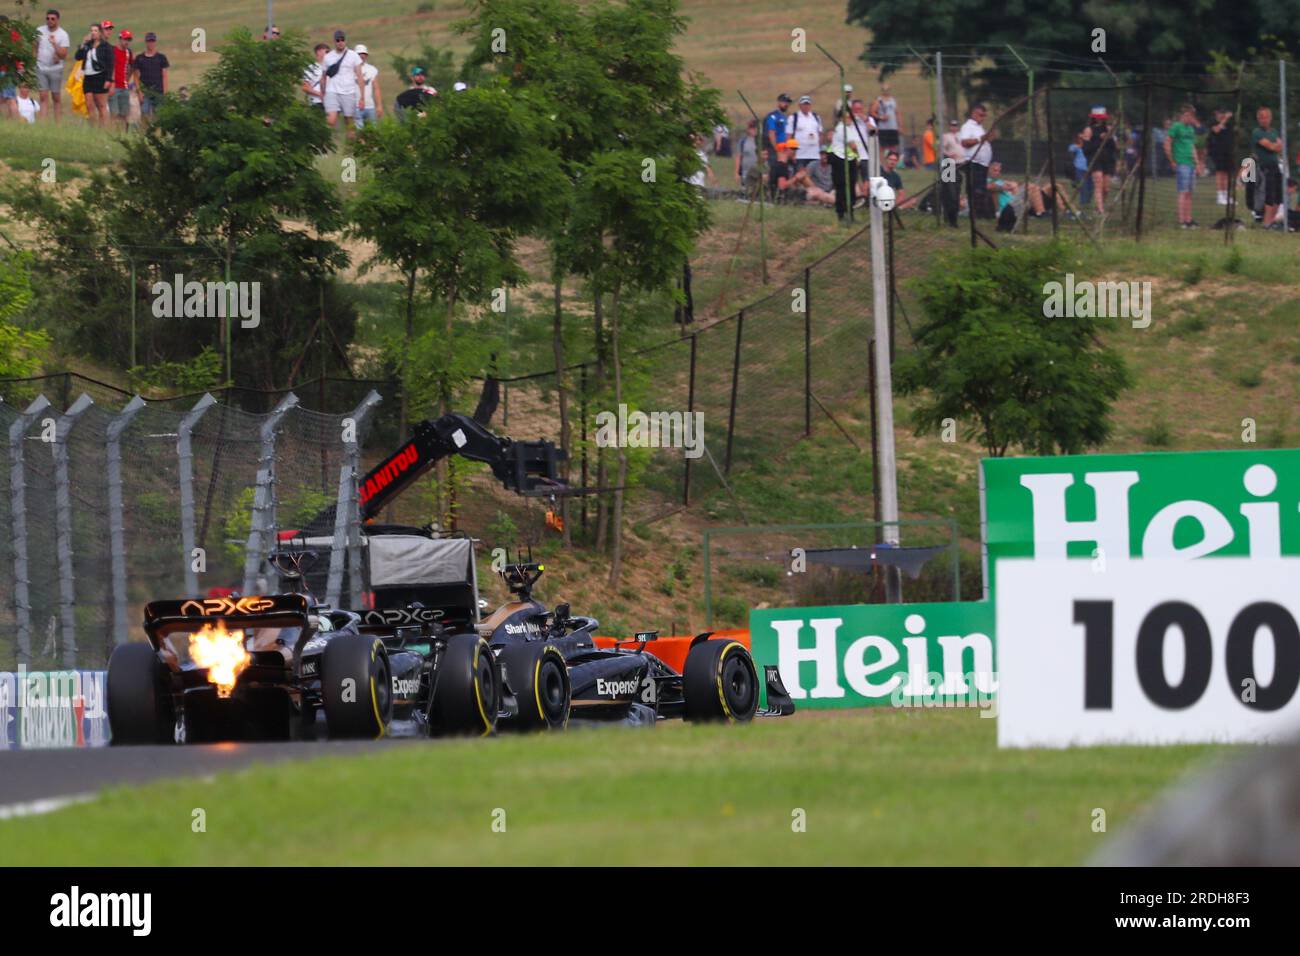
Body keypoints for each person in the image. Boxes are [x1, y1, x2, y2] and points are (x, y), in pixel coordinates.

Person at [1164, 104, 1204, 228]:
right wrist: (1172, 160)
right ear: (1184, 115)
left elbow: (1192, 147)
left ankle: (1188, 219)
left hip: (1191, 163)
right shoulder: (1176, 127)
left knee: (1190, 193)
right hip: (1182, 163)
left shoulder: (1190, 129)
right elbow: (1167, 143)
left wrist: (1197, 163)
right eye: (1190, 116)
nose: (1191, 119)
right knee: (1183, 192)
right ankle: (1182, 221)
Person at [828, 104, 869, 221]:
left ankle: (848, 213)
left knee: (850, 187)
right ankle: (843, 214)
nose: (849, 119)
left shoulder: (847, 128)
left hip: (847, 159)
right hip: (841, 160)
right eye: (846, 117)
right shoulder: (843, 128)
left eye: (850, 117)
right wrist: (858, 157)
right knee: (843, 188)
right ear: (841, 118)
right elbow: (853, 146)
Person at [322, 30, 364, 139]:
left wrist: (362, 98)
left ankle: (351, 147)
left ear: (345, 41)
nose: (340, 42)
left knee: (349, 122)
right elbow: (323, 77)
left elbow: (360, 76)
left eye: (342, 40)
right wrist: (323, 93)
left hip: (348, 92)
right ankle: (323, 142)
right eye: (338, 40)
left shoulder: (353, 56)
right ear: (334, 42)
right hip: (332, 91)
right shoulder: (328, 57)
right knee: (330, 120)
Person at [74, 22, 114, 127]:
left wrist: (108, 79)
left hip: (100, 76)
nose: (93, 33)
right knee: (89, 104)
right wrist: (83, 44)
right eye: (91, 31)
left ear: (100, 32)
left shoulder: (106, 47)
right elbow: (78, 57)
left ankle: (103, 128)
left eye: (95, 31)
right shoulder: (88, 45)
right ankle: (93, 127)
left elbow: (110, 64)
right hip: (88, 76)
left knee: (101, 105)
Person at [958, 103, 995, 219]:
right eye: (980, 115)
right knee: (975, 188)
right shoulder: (968, 126)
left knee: (981, 188)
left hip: (983, 164)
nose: (982, 118)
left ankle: (981, 212)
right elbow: (965, 142)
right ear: (973, 113)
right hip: (974, 162)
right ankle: (975, 213)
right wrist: (981, 139)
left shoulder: (979, 127)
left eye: (984, 116)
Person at [1251, 106, 1284, 229]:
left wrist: (1276, 146)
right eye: (1261, 117)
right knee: (1269, 196)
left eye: (1266, 117)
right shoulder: (1257, 132)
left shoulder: (1274, 131)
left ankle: (1272, 222)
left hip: (1275, 166)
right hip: (1265, 168)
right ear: (1258, 119)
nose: (1263, 120)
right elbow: (1271, 147)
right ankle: (1266, 223)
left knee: (1278, 196)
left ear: (1270, 118)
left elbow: (1281, 146)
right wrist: (1275, 145)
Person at [35, 9, 70, 122]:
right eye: (48, 18)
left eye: (52, 19)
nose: (50, 21)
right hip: (41, 66)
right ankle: (42, 123)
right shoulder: (39, 30)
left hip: (55, 69)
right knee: (43, 96)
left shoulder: (63, 34)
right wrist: (34, 59)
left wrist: (55, 45)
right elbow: (34, 47)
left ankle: (58, 123)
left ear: (57, 20)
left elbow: (63, 55)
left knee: (56, 97)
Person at [1082, 106, 1117, 215]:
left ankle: (1098, 207)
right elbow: (1086, 149)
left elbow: (1113, 147)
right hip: (1095, 159)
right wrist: (1099, 140)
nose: (1099, 120)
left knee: (1106, 188)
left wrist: (1108, 138)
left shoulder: (1108, 129)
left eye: (1101, 117)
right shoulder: (1088, 130)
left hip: (1107, 160)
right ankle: (1101, 210)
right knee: (1098, 183)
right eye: (1097, 117)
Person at [132, 32, 168, 122]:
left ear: (155, 42)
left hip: (158, 91)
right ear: (146, 42)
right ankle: (144, 133)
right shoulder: (140, 58)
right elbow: (135, 76)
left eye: (152, 41)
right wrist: (139, 91)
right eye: (149, 41)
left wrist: (165, 93)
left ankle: (157, 133)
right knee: (144, 113)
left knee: (159, 115)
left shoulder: (161, 58)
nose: (151, 43)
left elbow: (165, 76)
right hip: (145, 92)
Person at [763, 93, 792, 198]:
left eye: (788, 103)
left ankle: (783, 193)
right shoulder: (773, 116)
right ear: (779, 102)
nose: (786, 104)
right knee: (774, 170)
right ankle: (772, 193)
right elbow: (771, 133)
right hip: (775, 148)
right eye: (784, 102)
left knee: (784, 171)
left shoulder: (787, 117)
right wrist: (776, 148)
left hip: (785, 149)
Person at [1206, 107, 1234, 206]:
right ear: (1216, 113)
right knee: (1220, 173)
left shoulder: (1228, 124)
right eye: (1220, 113)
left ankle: (1226, 195)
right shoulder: (1212, 122)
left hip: (1227, 151)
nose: (1222, 115)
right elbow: (1216, 130)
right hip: (1217, 151)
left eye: (1223, 113)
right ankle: (1220, 195)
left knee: (1226, 174)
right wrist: (1225, 119)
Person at [786, 95, 823, 169]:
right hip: (800, 155)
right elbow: (789, 136)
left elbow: (820, 134)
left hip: (814, 154)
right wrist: (791, 152)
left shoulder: (816, 117)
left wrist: (819, 149)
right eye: (804, 104)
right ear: (799, 105)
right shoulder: (793, 118)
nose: (806, 106)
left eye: (808, 104)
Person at [109, 28, 135, 131]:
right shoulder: (113, 50)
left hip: (124, 86)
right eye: (125, 39)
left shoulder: (129, 53)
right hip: (114, 86)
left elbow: (132, 66)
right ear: (120, 39)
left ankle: (124, 134)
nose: (127, 42)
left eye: (128, 40)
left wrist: (127, 78)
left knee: (124, 114)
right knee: (114, 113)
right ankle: (115, 133)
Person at [939, 118, 963, 226]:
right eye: (952, 125)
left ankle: (954, 219)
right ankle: (948, 217)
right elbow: (941, 149)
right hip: (949, 163)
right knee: (950, 192)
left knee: (957, 192)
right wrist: (948, 155)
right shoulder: (946, 136)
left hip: (960, 164)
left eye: (956, 125)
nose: (954, 127)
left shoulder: (961, 136)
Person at [354, 44, 383, 129]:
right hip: (356, 106)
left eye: (364, 54)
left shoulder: (372, 69)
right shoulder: (350, 69)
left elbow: (376, 88)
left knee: (372, 132)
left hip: (370, 105)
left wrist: (379, 105)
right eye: (359, 54)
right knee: (359, 133)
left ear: (366, 55)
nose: (362, 56)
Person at [1068, 127, 1092, 208]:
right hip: (1079, 168)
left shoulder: (1088, 146)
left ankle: (1087, 203)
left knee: (1090, 186)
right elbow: (1071, 155)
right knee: (1083, 186)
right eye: (1079, 137)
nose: (1081, 138)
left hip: (1088, 168)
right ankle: (1083, 203)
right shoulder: (1073, 146)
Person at [734, 118, 759, 195]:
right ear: (748, 129)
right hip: (745, 172)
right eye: (751, 127)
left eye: (755, 127)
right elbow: (738, 157)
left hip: (758, 172)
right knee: (745, 192)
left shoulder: (761, 141)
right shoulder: (743, 141)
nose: (754, 129)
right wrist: (736, 173)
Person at [302, 43, 327, 109]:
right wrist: (320, 94)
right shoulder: (311, 68)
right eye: (326, 52)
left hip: (330, 102)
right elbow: (305, 87)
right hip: (316, 102)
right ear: (319, 52)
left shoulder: (330, 68)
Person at [876, 83, 901, 150]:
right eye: (884, 89)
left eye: (887, 89)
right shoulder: (878, 100)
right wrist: (881, 117)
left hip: (893, 127)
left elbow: (897, 113)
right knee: (883, 147)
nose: (886, 91)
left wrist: (899, 126)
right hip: (882, 128)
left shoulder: (893, 100)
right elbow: (873, 113)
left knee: (893, 147)